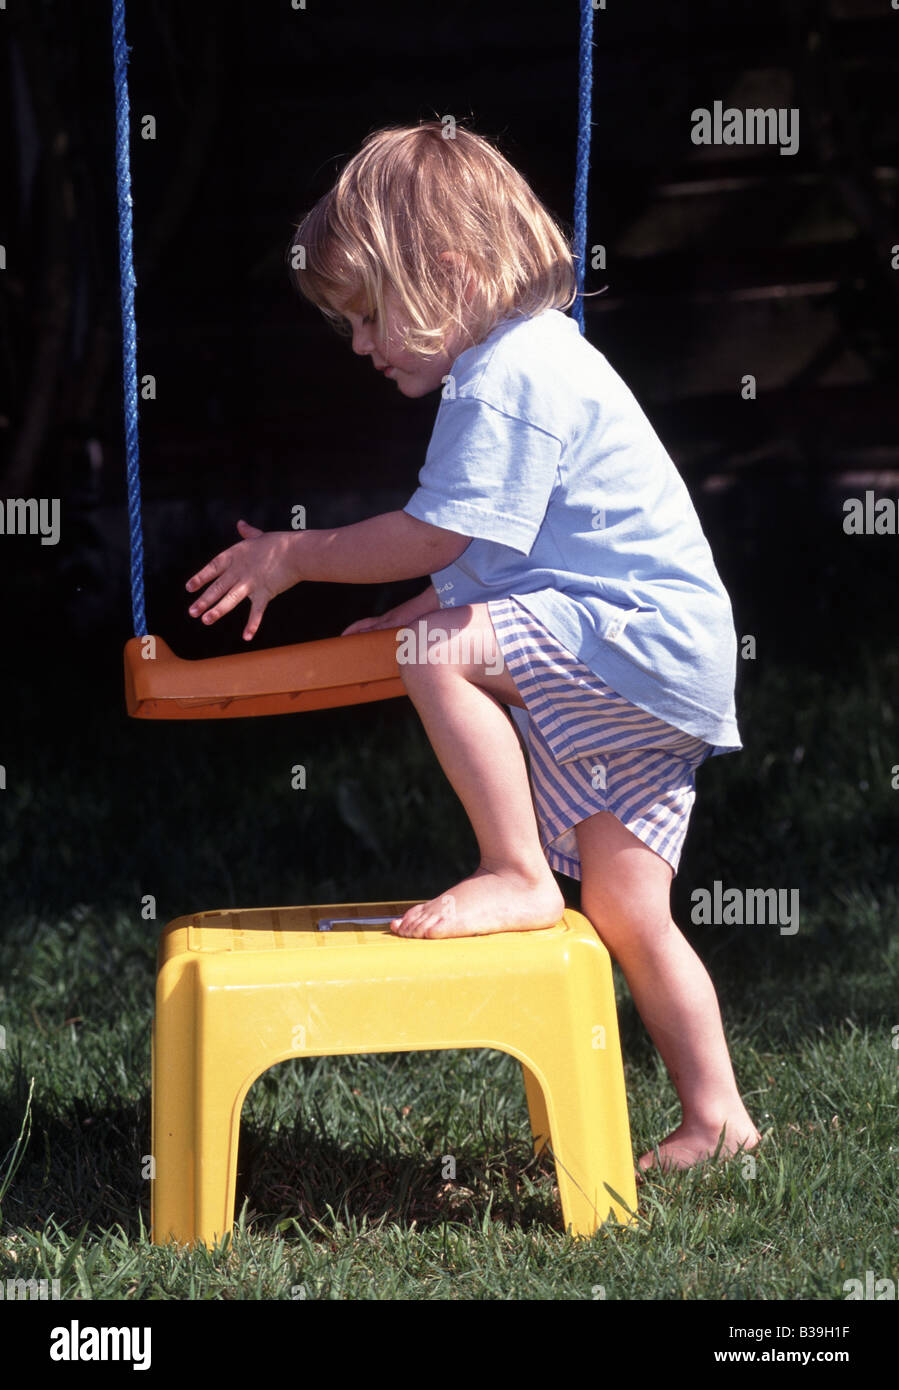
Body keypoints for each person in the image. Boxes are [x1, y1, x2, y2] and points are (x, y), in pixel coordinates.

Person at [185, 121, 759, 1173]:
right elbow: (500, 545)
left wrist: (299, 557)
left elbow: (441, 529)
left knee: (437, 658)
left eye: (367, 317)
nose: (360, 347)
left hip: (632, 639)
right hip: (667, 663)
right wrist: (426, 607)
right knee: (630, 912)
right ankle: (716, 1120)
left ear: (445, 271)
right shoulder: (536, 358)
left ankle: (512, 871)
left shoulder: (504, 370)